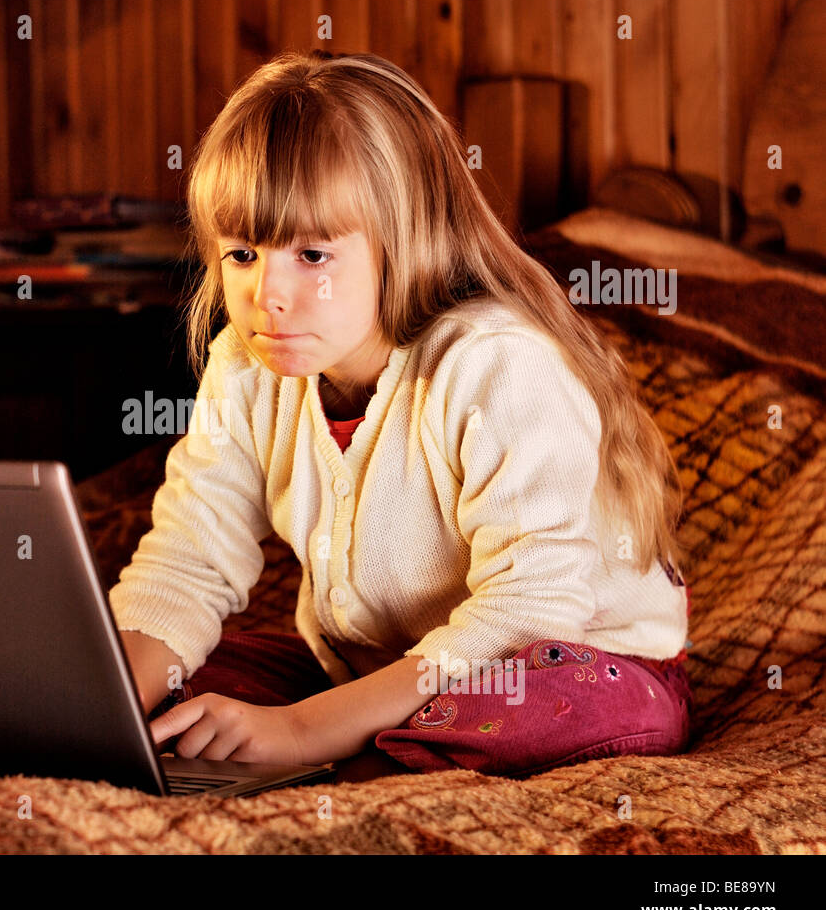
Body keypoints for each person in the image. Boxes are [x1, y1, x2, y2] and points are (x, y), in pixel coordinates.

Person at [110, 51, 693, 777]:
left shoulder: (496, 362)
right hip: (375, 676)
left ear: (404, 240)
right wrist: (111, 705)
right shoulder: (244, 363)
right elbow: (187, 563)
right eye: (241, 254)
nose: (269, 294)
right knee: (172, 702)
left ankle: (341, 747)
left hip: (569, 665)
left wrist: (301, 730)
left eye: (313, 253)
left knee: (558, 702)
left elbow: (529, 611)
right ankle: (361, 743)